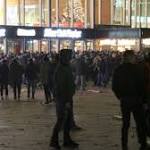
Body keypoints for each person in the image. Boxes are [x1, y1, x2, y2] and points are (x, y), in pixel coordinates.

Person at [112, 50, 148, 150]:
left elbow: (114, 87)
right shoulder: (137, 69)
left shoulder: (118, 69)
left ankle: (124, 144)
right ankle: (143, 142)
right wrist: (144, 100)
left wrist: (120, 96)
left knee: (125, 124)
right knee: (140, 123)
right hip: (137, 100)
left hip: (125, 100)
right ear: (130, 58)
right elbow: (142, 86)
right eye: (133, 57)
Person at [50, 49, 79, 149]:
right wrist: (66, 100)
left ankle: (67, 140)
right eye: (69, 56)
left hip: (67, 97)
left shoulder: (66, 67)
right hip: (63, 99)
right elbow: (60, 87)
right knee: (61, 120)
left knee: (67, 121)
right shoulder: (61, 69)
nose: (70, 58)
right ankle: (54, 141)